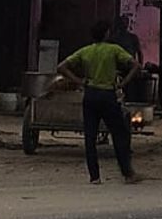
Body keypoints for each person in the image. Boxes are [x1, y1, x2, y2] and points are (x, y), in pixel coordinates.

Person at [57, 20, 141, 184]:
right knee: (119, 133)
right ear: (107, 34)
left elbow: (62, 67)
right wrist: (123, 83)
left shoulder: (85, 51)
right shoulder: (114, 50)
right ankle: (127, 173)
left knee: (90, 136)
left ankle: (94, 176)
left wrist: (79, 81)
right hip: (108, 94)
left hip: (90, 94)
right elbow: (136, 65)